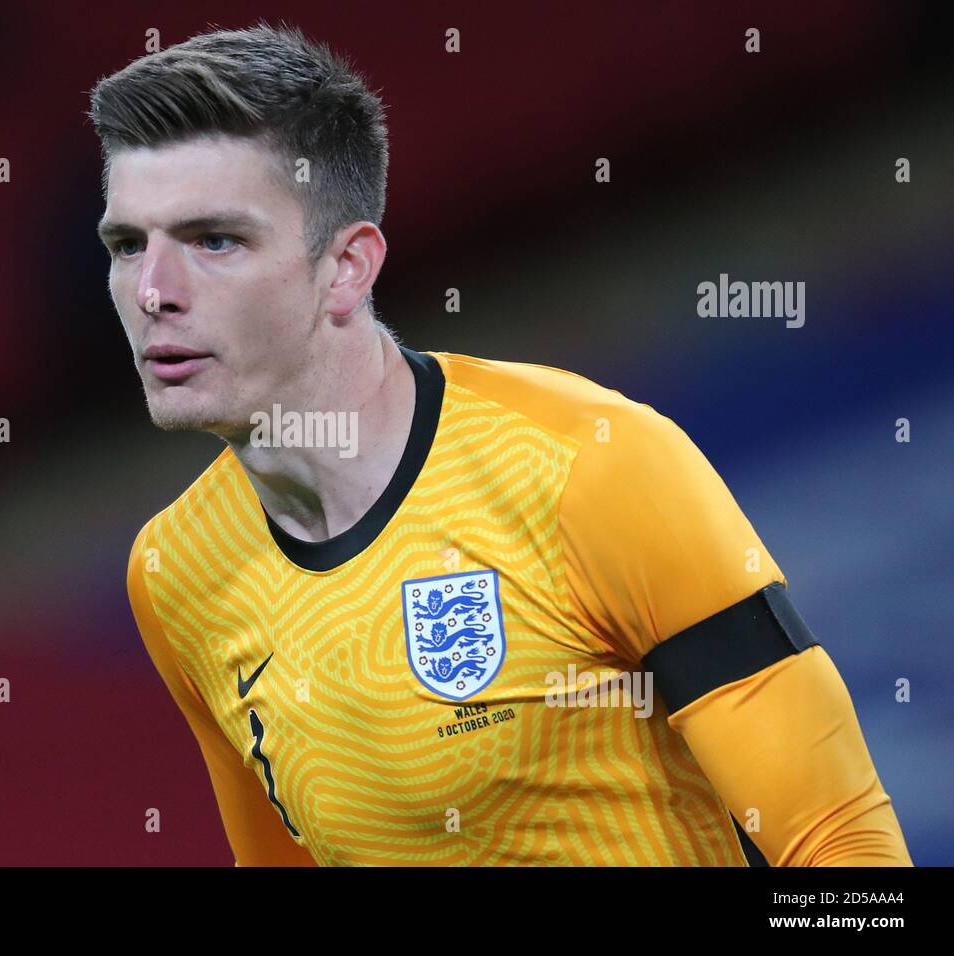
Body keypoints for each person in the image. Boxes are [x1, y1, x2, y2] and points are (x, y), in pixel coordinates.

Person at [90, 23, 911, 866]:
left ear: (346, 268)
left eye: (214, 240)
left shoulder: (591, 468)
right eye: (127, 246)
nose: (153, 291)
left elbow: (843, 854)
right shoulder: (174, 575)